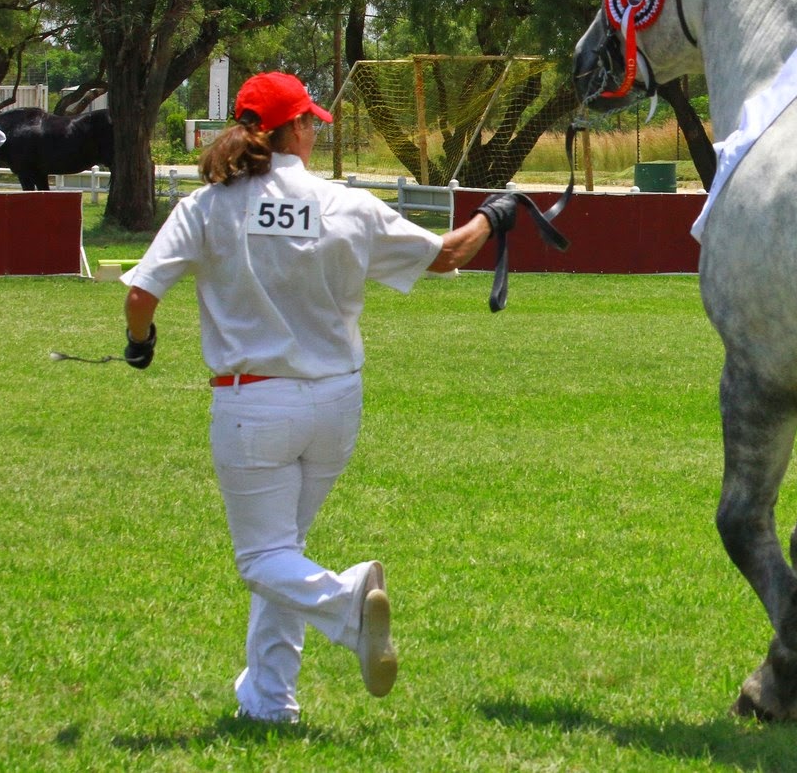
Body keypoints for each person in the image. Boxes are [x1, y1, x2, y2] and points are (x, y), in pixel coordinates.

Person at [119, 71, 519, 725]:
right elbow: (446, 256)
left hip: (253, 404)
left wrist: (141, 343)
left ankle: (348, 600)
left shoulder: (208, 205)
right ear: (297, 129)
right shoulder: (345, 204)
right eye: (311, 123)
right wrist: (489, 216)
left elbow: (140, 296)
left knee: (261, 558)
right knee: (286, 546)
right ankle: (271, 698)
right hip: (337, 403)